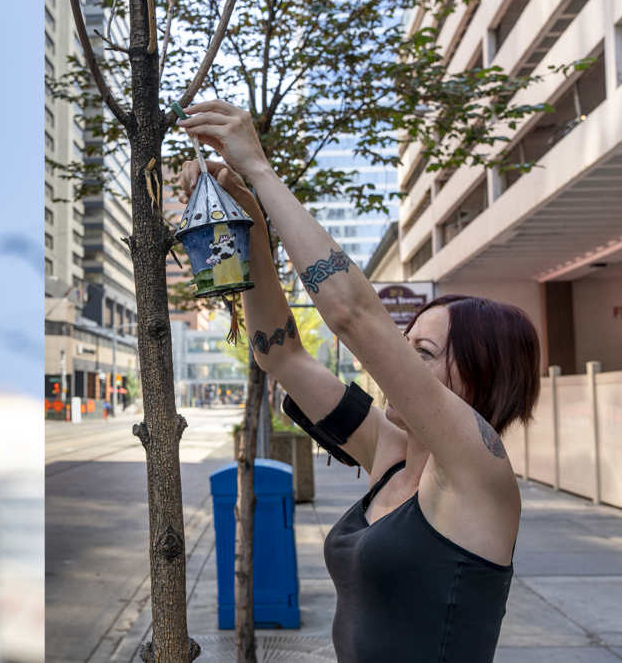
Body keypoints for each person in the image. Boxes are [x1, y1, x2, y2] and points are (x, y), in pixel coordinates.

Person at [177, 101, 541, 663]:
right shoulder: (391, 451)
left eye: (422, 353)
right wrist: (250, 228)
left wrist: (260, 170)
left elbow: (352, 315)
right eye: (405, 345)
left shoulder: (478, 471)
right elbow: (281, 355)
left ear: (483, 374)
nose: (399, 362)